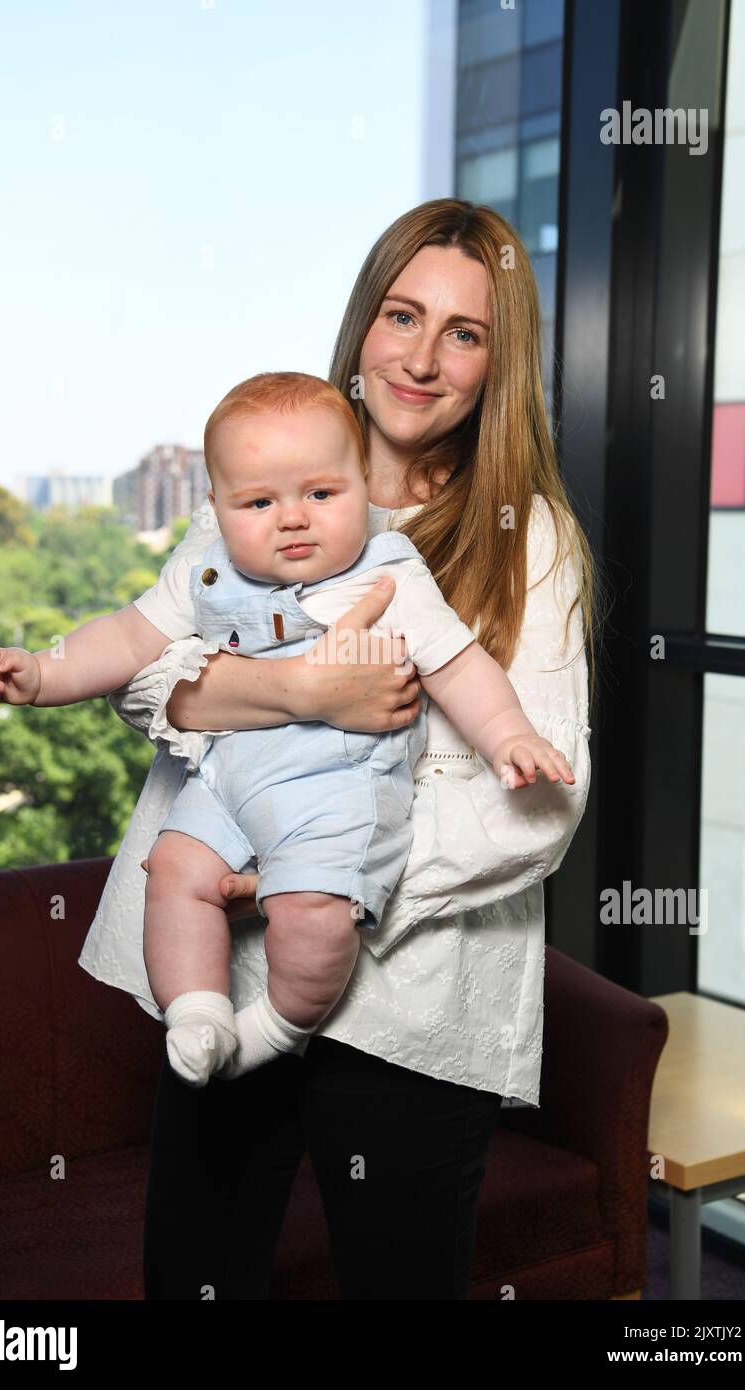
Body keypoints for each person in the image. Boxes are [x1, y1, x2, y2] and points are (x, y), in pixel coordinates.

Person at [81, 199, 599, 1299]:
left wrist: (310, 876)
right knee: (193, 1279)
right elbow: (141, 676)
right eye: (401, 316)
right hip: (220, 970)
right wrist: (302, 689)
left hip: (413, 1001)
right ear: (362, 328)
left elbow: (540, 801)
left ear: (495, 365)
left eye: (463, 332)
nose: (421, 356)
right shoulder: (275, 470)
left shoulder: (529, 535)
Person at [0, 366, 575, 1091]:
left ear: (363, 485)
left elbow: (457, 664)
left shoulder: (390, 571)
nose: (292, 518)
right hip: (227, 778)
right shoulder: (205, 569)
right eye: (258, 501)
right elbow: (128, 641)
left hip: (335, 790)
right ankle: (196, 1011)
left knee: (313, 911)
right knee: (173, 872)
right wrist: (43, 673)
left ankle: (274, 1025)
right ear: (217, 506)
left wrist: (507, 732)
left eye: (321, 494)